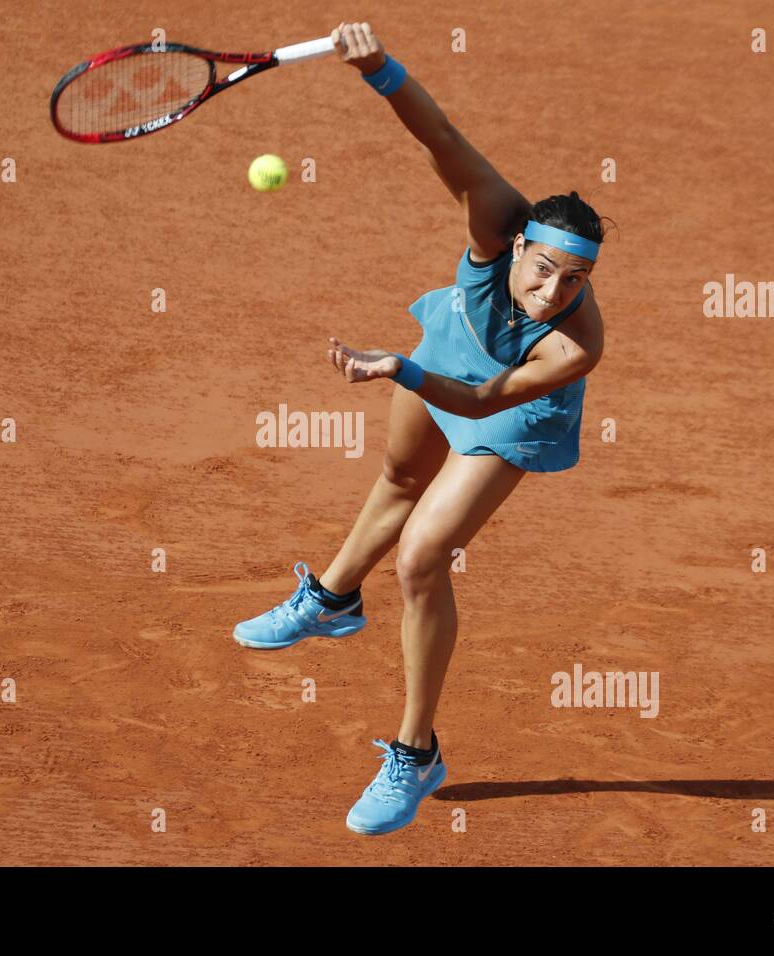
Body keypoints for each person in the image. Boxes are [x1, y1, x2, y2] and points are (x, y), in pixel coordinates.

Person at [234, 22, 609, 836]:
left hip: (508, 412)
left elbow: (480, 404)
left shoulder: (577, 346)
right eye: (543, 268)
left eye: (573, 280)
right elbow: (440, 138)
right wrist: (379, 68)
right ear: (516, 241)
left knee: (420, 560)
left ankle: (416, 750)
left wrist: (396, 369)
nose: (552, 291)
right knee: (399, 480)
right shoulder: (499, 214)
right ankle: (331, 600)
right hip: (444, 346)